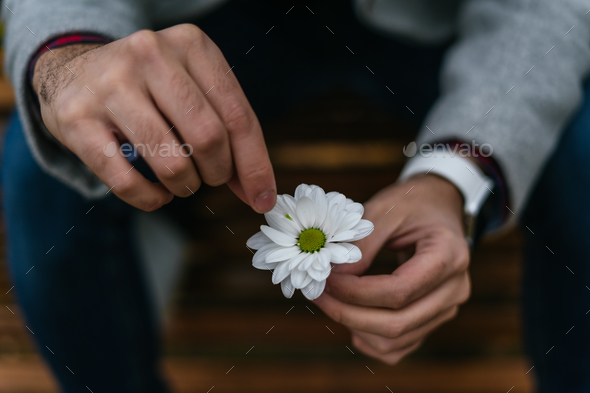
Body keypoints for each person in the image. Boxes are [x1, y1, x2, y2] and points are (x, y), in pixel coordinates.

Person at [1, 1, 589, 392]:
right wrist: (70, 55)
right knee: (40, 162)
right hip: (202, 19)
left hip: (432, 22)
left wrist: (454, 177)